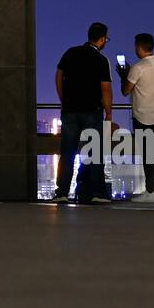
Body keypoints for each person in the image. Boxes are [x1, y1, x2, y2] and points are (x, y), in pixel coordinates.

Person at [53, 22, 114, 204]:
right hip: (92, 112)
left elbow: (58, 75)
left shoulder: (70, 53)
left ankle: (62, 192)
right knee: (94, 152)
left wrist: (63, 100)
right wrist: (109, 113)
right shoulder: (101, 60)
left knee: (68, 152)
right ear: (102, 39)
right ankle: (97, 193)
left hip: (70, 110)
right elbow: (106, 89)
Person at [116, 32, 154, 202]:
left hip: (141, 117)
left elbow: (126, 91)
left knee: (148, 155)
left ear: (139, 47)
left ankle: (150, 191)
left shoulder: (138, 68)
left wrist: (123, 76)